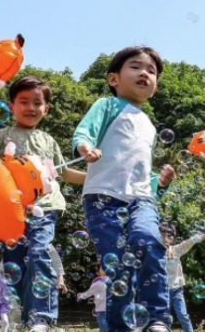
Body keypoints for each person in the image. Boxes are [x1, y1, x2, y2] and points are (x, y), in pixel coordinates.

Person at [73, 46, 176, 332]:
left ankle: (157, 319)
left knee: (149, 241)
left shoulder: (150, 126)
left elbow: (142, 172)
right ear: (113, 79)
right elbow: (84, 132)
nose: (144, 73)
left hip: (141, 199)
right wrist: (84, 147)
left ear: (154, 89)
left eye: (151, 71)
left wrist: (161, 183)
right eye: (135, 66)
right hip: (102, 197)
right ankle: (120, 327)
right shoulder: (106, 106)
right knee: (118, 267)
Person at [0, 75, 86, 332]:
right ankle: (22, 315)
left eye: (37, 102)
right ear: (11, 105)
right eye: (23, 101)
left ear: (46, 109)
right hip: (11, 211)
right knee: (14, 262)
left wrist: (96, 175)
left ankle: (41, 318)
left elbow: (65, 173)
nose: (30, 107)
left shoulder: (49, 141)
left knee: (39, 252)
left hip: (44, 208)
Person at [162, 226, 205, 332]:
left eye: (164, 236)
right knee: (165, 318)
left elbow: (191, 241)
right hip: (162, 291)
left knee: (183, 316)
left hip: (176, 290)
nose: (162, 238)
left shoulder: (176, 250)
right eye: (160, 236)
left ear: (171, 238)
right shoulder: (156, 253)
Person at [77, 263, 108, 332]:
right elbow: (89, 293)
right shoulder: (97, 283)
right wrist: (81, 295)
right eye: (102, 269)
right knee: (104, 328)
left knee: (104, 327)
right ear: (97, 273)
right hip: (101, 309)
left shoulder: (103, 282)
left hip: (104, 309)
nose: (104, 270)